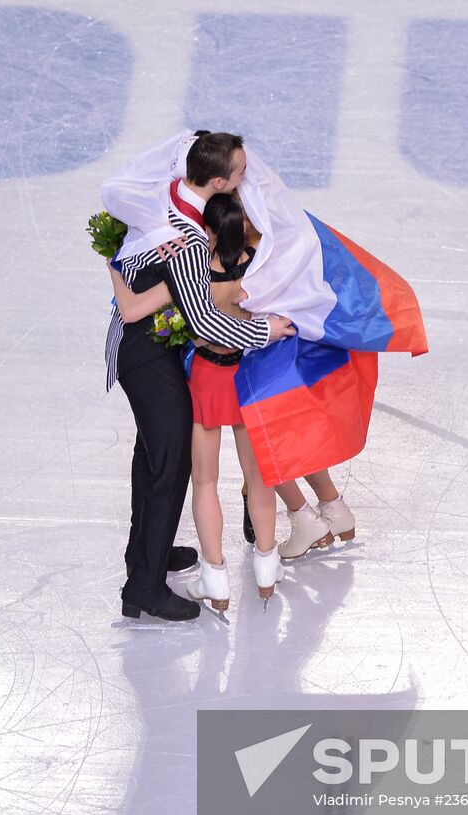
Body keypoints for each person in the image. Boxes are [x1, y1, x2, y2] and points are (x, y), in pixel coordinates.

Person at [102, 131, 296, 623]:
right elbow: (206, 322)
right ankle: (143, 589)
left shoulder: (167, 191)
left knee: (152, 457)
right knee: (170, 466)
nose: (247, 176)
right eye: (240, 170)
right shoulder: (188, 240)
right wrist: (267, 329)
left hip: (141, 348)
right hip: (146, 357)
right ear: (216, 180)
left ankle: (149, 552)